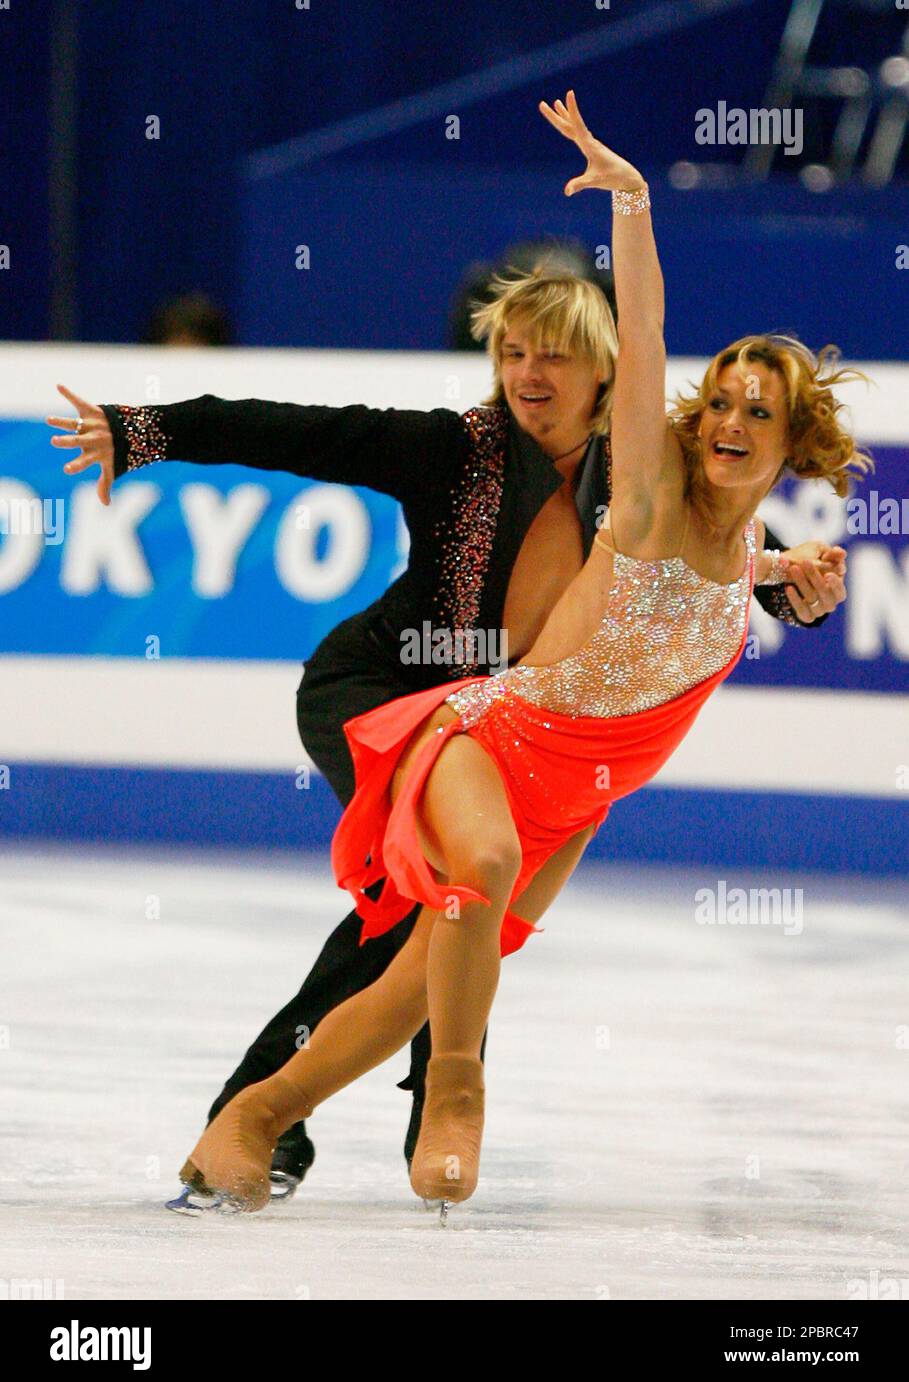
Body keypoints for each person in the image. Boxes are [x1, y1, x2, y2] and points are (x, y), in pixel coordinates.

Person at [47, 132, 847, 1207]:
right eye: (513, 352)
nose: (528, 374)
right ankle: (369, 1103)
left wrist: (783, 570)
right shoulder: (459, 449)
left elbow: (676, 582)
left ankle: (291, 1111)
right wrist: (145, 430)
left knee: (431, 929)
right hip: (383, 692)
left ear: (604, 376)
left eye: (554, 355)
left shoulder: (643, 475)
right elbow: (299, 430)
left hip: (549, 755)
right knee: (416, 904)